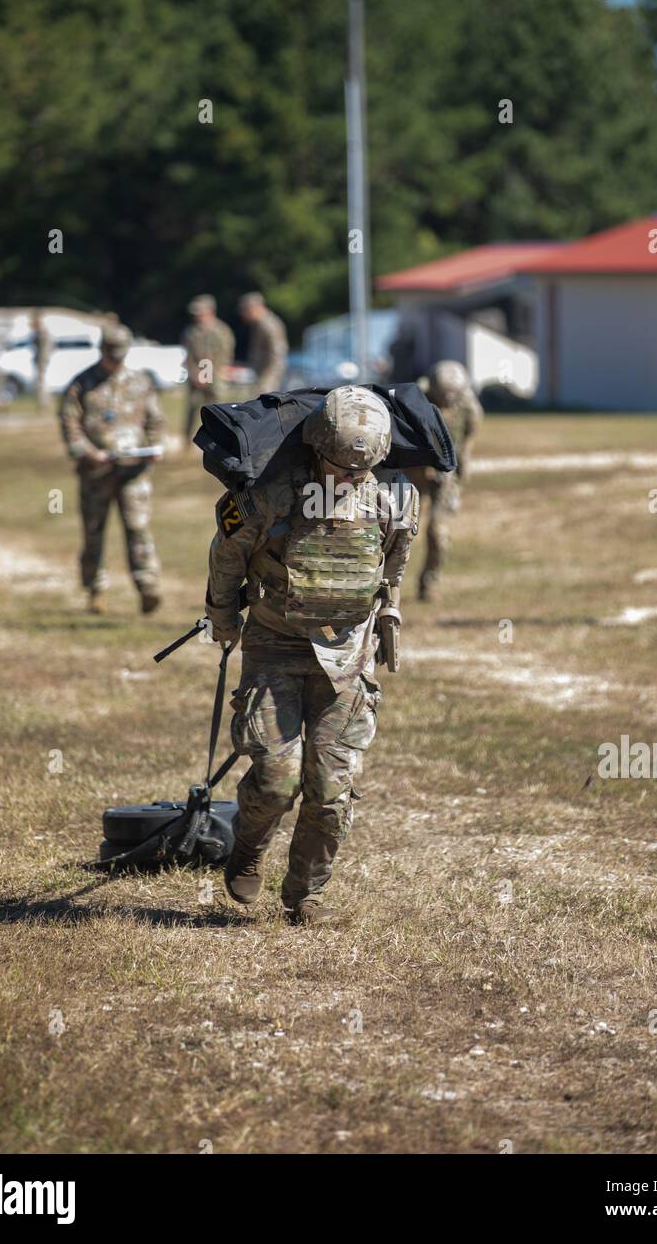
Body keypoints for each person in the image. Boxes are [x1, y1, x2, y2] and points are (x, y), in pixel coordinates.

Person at [204, 385, 419, 925]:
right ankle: (249, 845)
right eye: (340, 466)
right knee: (278, 777)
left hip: (347, 656)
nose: (350, 477)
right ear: (317, 449)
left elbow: (392, 565)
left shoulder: (393, 496)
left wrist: (388, 610)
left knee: (330, 789)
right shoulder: (271, 493)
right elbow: (227, 553)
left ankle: (307, 894)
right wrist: (224, 618)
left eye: (361, 468)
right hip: (275, 643)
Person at [59, 322, 166, 615]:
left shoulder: (140, 381)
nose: (115, 359)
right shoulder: (82, 384)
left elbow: (155, 420)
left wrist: (155, 446)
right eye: (110, 353)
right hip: (96, 472)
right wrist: (89, 453)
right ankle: (96, 590)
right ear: (102, 350)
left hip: (133, 471)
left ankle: (148, 587)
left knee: (138, 528)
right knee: (94, 532)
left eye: (120, 353)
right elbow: (70, 426)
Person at [412, 360, 483, 602]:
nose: (449, 401)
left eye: (453, 395)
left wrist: (460, 474)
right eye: (443, 396)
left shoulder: (468, 406)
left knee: (437, 532)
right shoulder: (416, 400)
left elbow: (467, 441)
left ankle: (429, 582)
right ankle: (388, 586)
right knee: (401, 530)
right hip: (414, 473)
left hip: (446, 474)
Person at [181, 294, 235, 444]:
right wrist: (196, 375)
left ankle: (218, 439)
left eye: (200, 313)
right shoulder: (190, 332)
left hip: (216, 374)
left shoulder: (222, 330)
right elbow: (188, 357)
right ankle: (186, 441)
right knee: (192, 406)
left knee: (217, 408)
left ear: (210, 311)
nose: (197, 316)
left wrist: (210, 374)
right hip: (196, 375)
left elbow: (226, 355)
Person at [239, 291, 289, 394]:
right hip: (261, 373)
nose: (243, 314)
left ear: (255, 308)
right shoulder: (258, 324)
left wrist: (268, 381)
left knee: (265, 404)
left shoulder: (269, 325)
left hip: (269, 375)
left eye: (245, 310)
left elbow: (278, 354)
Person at [31, 310, 53, 409]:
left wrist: (42, 362)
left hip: (42, 362)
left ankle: (44, 404)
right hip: (41, 361)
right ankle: (43, 403)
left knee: (42, 383)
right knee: (41, 383)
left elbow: (45, 350)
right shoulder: (40, 332)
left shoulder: (42, 333)